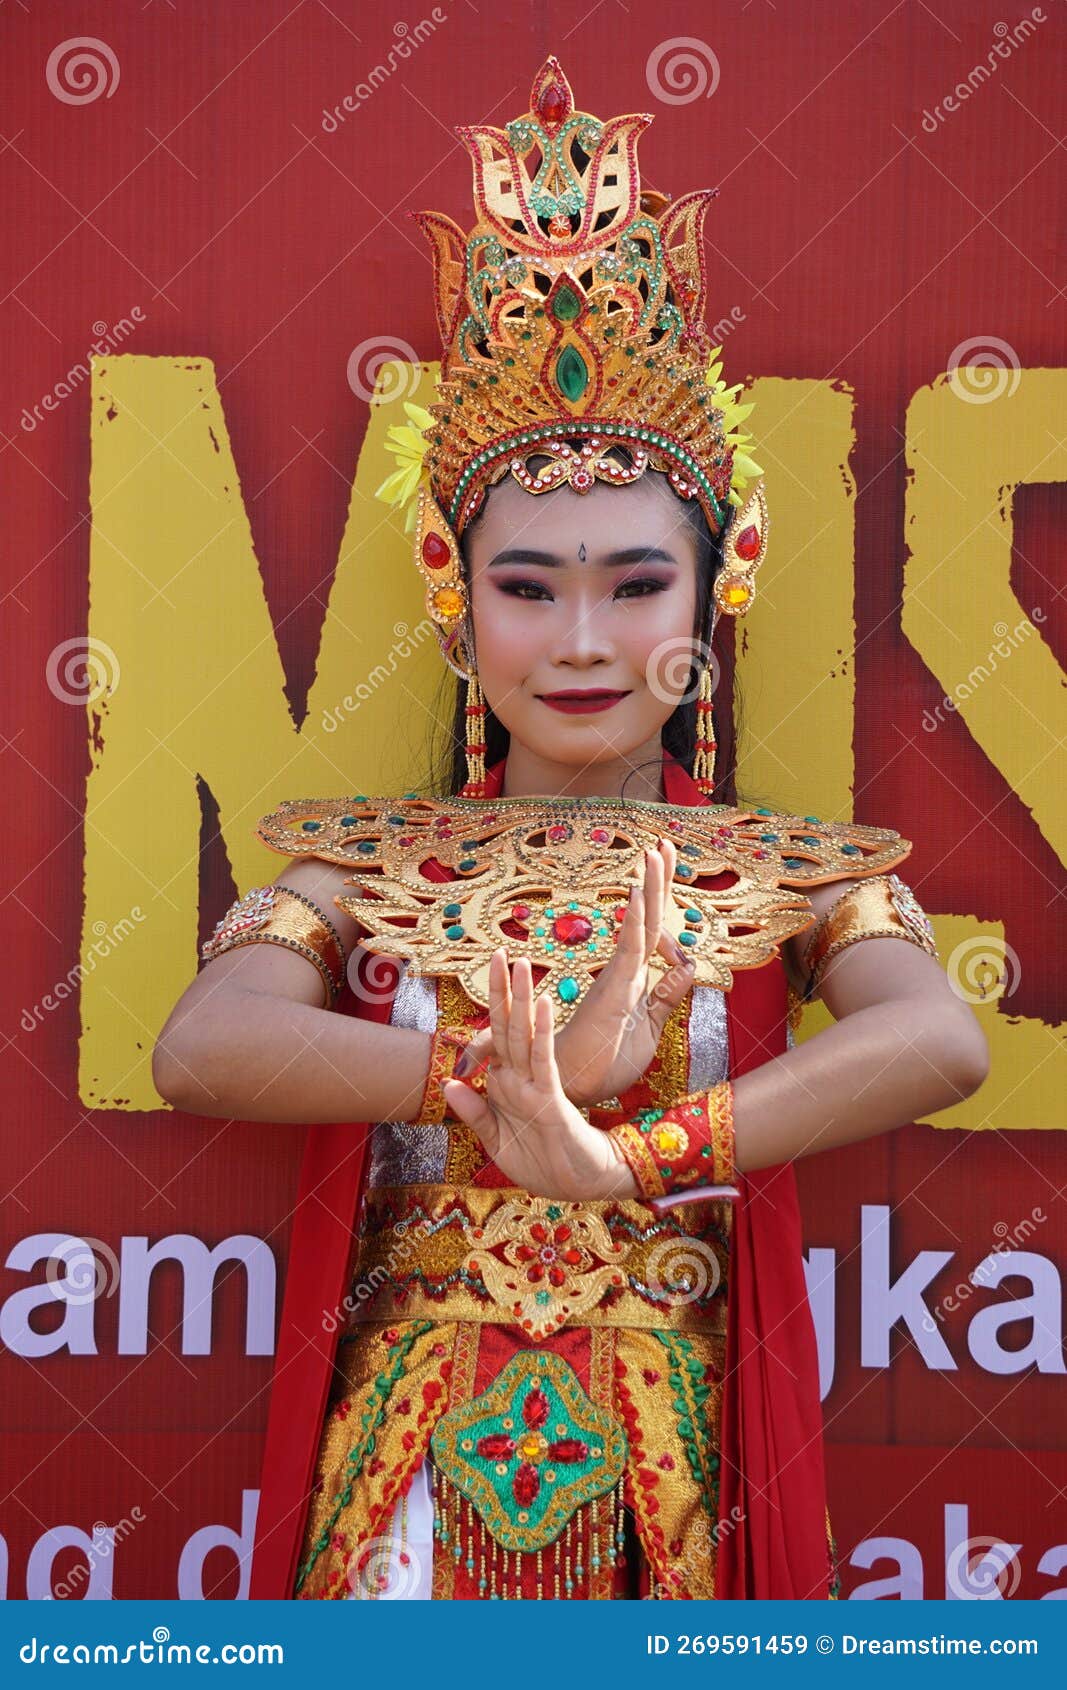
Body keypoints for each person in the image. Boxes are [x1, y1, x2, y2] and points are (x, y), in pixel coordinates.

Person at [152, 58, 989, 1602]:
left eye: (637, 583)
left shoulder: (786, 869)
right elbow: (204, 1044)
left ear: (721, 580)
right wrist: (496, 1081)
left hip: (677, 1484)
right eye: (528, 587)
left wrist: (627, 1156)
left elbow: (941, 1039)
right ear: (455, 597)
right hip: (405, 1486)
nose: (586, 641)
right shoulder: (378, 860)